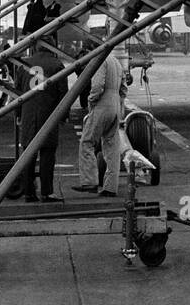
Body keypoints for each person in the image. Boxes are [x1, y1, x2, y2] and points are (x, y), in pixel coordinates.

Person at [72, 48, 127, 197]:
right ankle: (110, 186)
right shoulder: (116, 62)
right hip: (116, 104)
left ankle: (89, 182)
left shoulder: (100, 60)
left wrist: (91, 101)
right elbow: (124, 88)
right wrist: (119, 102)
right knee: (112, 147)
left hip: (102, 104)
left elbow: (97, 85)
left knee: (87, 142)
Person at [17, 41, 67, 203]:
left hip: (28, 115)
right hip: (49, 115)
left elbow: (17, 92)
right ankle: (47, 192)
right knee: (47, 155)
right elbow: (63, 93)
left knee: (28, 155)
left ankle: (29, 192)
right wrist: (63, 115)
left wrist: (18, 114)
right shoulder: (57, 65)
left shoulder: (24, 64)